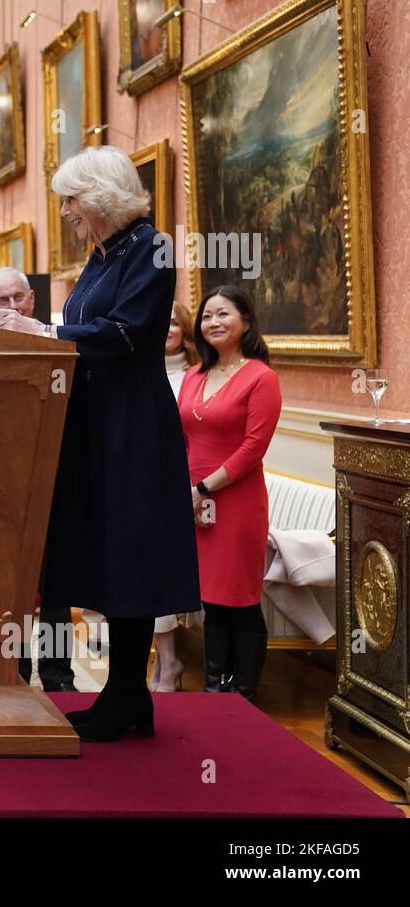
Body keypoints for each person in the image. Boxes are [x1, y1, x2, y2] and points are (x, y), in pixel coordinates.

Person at [0, 145, 199, 741]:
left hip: (132, 428)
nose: (65, 212)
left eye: (70, 199)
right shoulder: (102, 255)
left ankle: (129, 694)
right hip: (92, 427)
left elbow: (129, 333)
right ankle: (125, 694)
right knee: (108, 554)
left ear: (103, 195)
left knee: (130, 556)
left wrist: (44, 329)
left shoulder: (150, 250)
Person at [179, 286, 282, 701]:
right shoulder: (193, 374)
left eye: (223, 315)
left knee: (239, 596)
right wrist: (183, 490)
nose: (213, 323)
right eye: (206, 316)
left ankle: (242, 692)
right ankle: (213, 688)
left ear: (246, 322)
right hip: (192, 499)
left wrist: (203, 488)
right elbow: (182, 439)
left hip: (236, 502)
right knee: (211, 596)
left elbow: (253, 449)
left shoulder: (261, 377)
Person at [0, 268, 75, 692]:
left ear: (32, 301)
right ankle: (13, 673)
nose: (12, 307)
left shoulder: (58, 338)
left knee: (56, 584)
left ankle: (57, 676)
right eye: (2, 301)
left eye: (19, 298)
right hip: (3, 481)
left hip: (56, 474)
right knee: (11, 584)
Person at [151, 301, 200, 692]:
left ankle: (169, 664)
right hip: (146, 482)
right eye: (159, 322)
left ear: (185, 328)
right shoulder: (144, 372)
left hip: (188, 485)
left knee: (160, 574)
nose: (167, 329)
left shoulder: (199, 377)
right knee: (147, 575)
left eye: (173, 323)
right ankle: (163, 661)